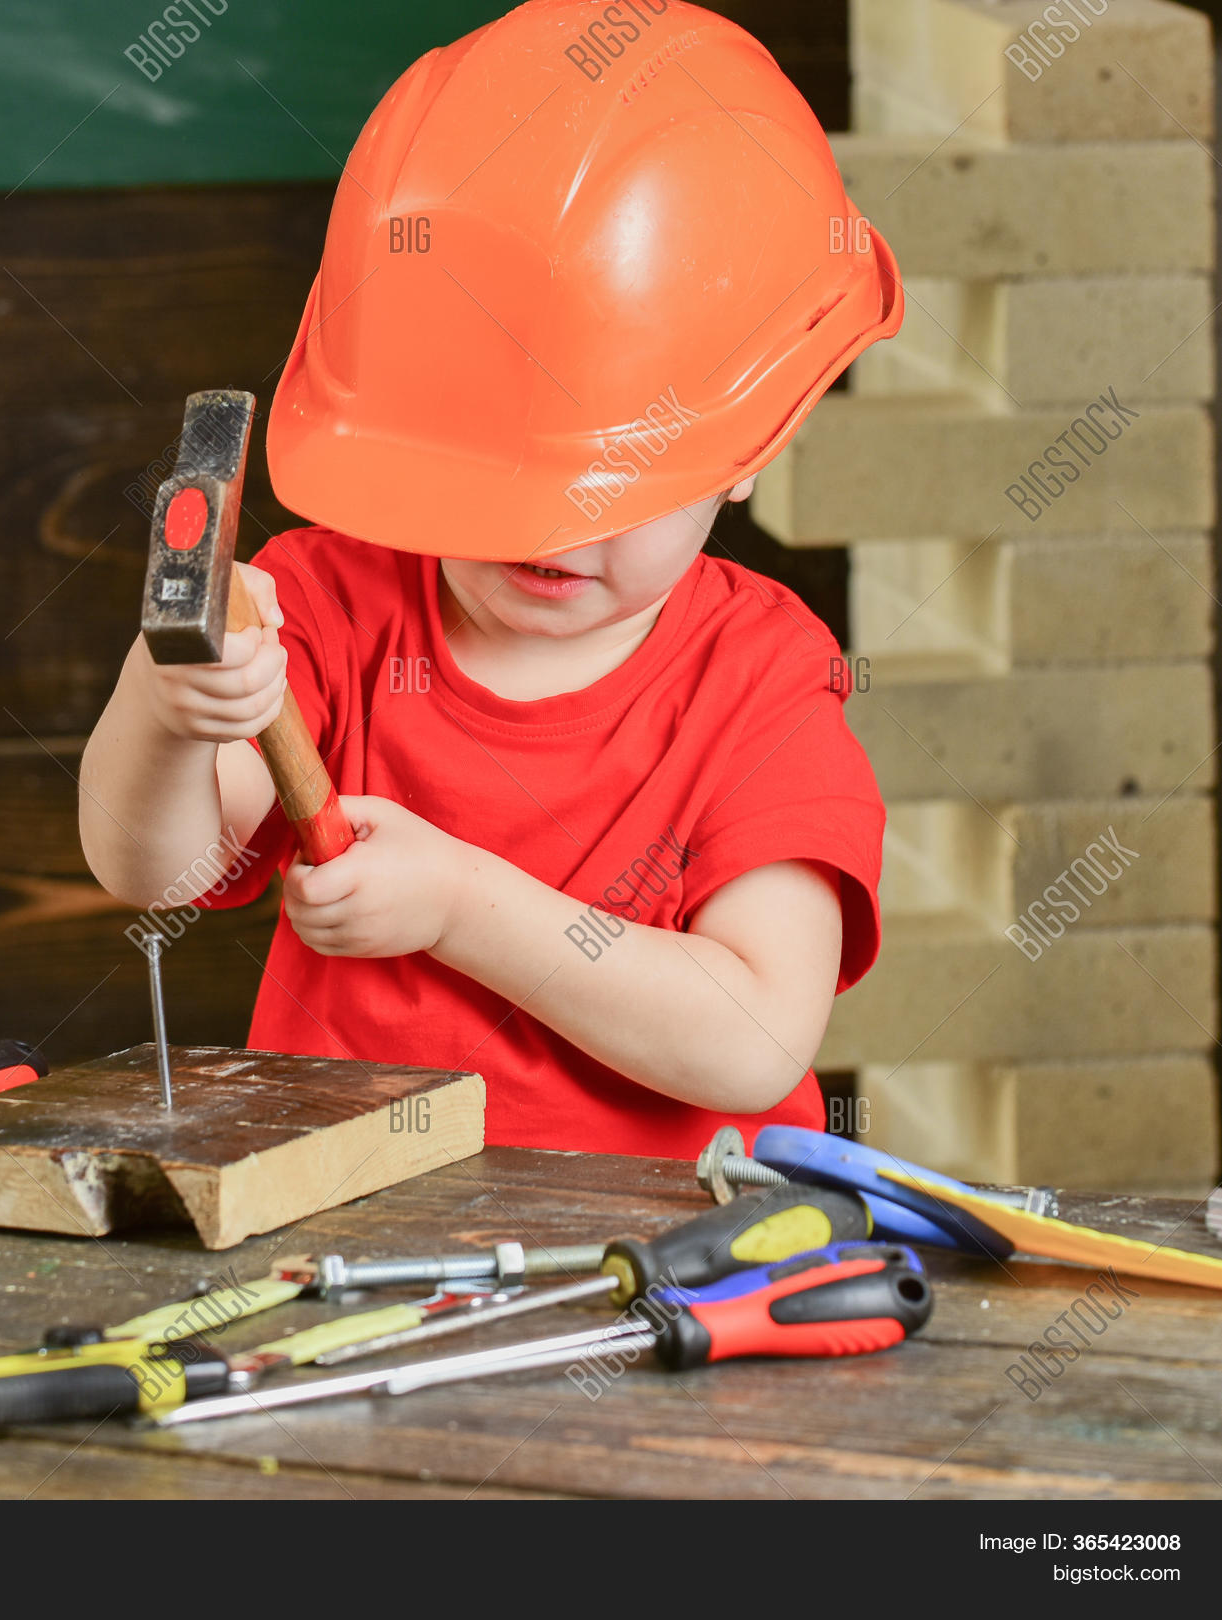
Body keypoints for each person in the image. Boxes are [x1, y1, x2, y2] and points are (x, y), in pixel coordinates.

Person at [81, 0, 903, 1158]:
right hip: (348, 1240)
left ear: (747, 452)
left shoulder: (759, 681)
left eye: (605, 489)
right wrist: (166, 710)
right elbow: (157, 869)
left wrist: (467, 907)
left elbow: (752, 1042)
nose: (548, 537)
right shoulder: (328, 605)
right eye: (489, 476)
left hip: (662, 1270)